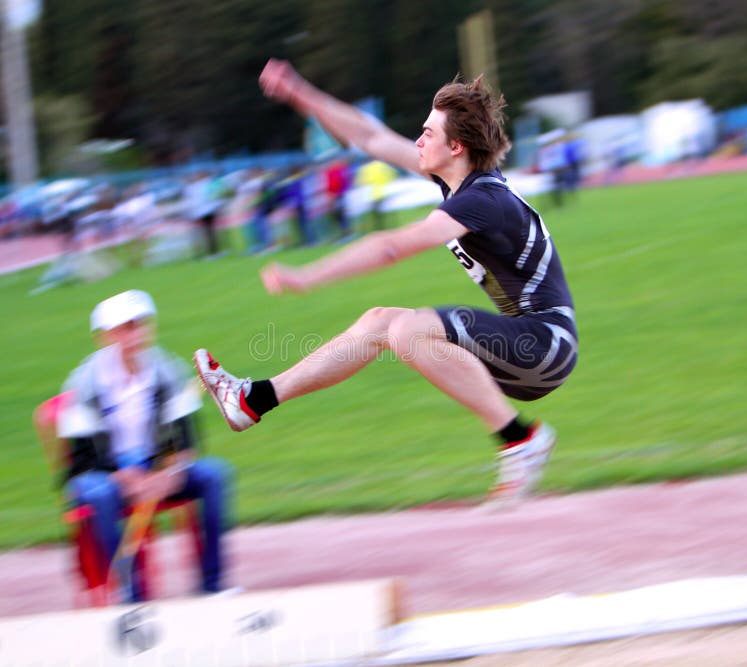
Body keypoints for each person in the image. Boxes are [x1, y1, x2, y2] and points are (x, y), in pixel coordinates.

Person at [194, 59, 578, 504]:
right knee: (379, 322)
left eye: (428, 133)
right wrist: (300, 92)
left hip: (545, 344)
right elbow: (368, 135)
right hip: (527, 350)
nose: (418, 140)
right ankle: (253, 400)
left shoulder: (483, 199)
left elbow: (393, 246)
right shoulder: (457, 182)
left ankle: (519, 440)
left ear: (456, 147)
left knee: (408, 330)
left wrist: (309, 275)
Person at [58, 289, 232, 601]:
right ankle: (131, 596)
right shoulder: (85, 382)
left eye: (141, 324)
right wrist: (125, 479)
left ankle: (212, 584)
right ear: (106, 336)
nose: (136, 334)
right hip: (103, 473)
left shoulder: (167, 370)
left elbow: (185, 439)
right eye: (126, 327)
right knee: (100, 493)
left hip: (156, 466)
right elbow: (81, 459)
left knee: (214, 474)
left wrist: (169, 472)